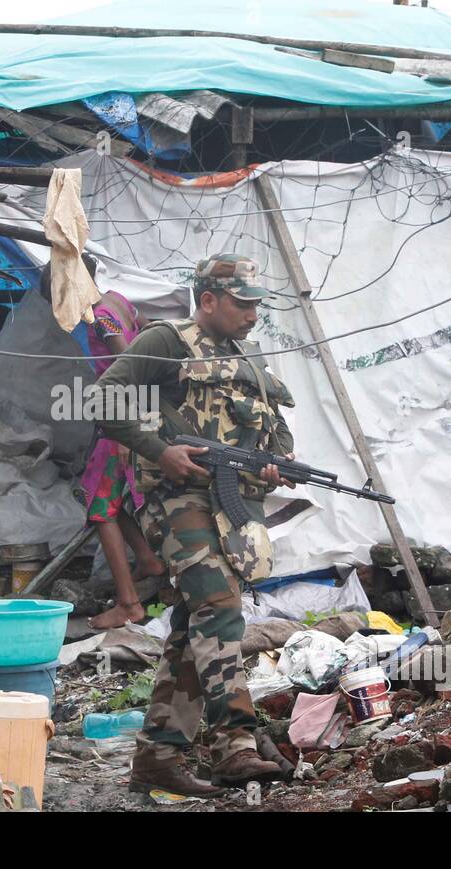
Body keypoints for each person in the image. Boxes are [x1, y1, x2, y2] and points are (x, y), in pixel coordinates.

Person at [94, 253, 297, 797]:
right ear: (207, 299)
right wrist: (159, 451)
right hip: (177, 502)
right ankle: (235, 745)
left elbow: (271, 433)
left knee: (191, 629)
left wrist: (273, 464)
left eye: (257, 305)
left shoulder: (248, 361)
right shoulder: (165, 342)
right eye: (242, 303)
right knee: (219, 609)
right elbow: (102, 399)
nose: (253, 315)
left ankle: (159, 758)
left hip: (231, 505)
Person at [75, 277, 168, 630]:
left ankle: (129, 603)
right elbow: (149, 328)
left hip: (120, 419)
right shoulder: (117, 300)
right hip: (136, 416)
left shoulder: (101, 315)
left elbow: (128, 358)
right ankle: (147, 559)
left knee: (99, 508)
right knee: (107, 500)